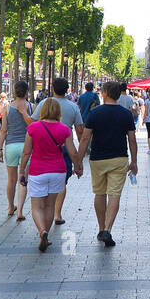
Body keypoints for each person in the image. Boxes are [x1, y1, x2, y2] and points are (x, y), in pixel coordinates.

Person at [75, 81, 137, 247]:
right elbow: (132, 139)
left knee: (100, 193)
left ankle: (101, 227)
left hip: (98, 159)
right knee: (115, 194)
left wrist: (78, 161)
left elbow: (85, 138)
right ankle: (108, 230)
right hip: (119, 158)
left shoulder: (95, 113)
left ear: (106, 93)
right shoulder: (126, 114)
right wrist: (134, 161)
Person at [20, 97, 79, 252]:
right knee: (50, 205)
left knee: (37, 206)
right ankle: (46, 233)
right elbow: (72, 151)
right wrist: (78, 166)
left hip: (37, 171)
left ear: (43, 111)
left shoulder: (33, 128)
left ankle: (42, 232)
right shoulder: (64, 129)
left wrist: (22, 170)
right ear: (58, 112)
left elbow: (26, 152)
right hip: (58, 171)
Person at [34, 77, 84, 226]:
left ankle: (44, 210)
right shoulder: (73, 106)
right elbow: (80, 130)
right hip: (64, 146)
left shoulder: (44, 103)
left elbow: (33, 123)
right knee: (61, 182)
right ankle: (57, 214)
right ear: (67, 89)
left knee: (43, 180)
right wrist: (80, 157)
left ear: (53, 88)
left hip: (44, 146)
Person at [0, 81, 34, 221]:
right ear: (27, 92)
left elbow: (3, 130)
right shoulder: (31, 106)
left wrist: (0, 149)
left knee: (11, 179)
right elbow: (34, 125)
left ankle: (10, 206)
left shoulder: (7, 108)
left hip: (11, 146)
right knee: (23, 179)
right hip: (26, 146)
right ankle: (20, 210)